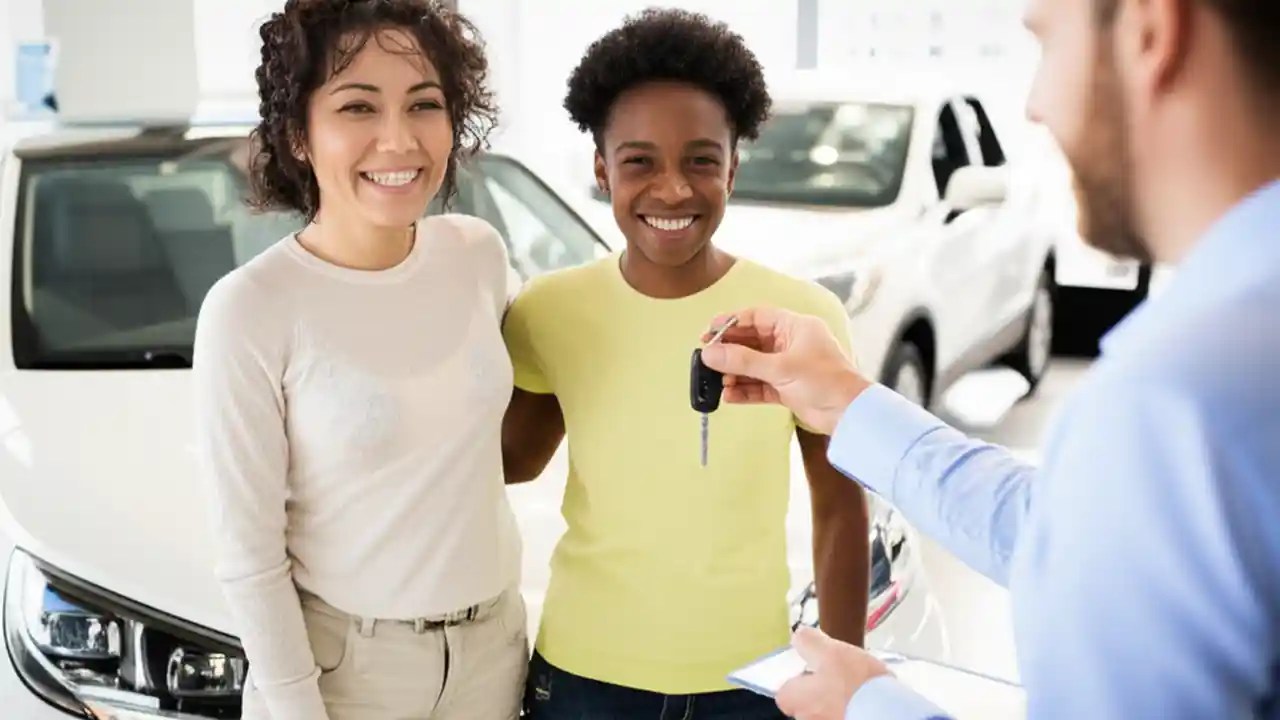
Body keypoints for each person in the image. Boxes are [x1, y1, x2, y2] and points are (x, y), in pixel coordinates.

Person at [699, 0, 1280, 716]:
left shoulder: (1180, 401)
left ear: (1151, 31)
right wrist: (846, 399)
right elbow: (1072, 534)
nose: (1036, 107)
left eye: (1047, 43)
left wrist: (872, 710)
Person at [501, 8, 870, 719]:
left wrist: (843, 673)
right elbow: (509, 462)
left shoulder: (803, 316)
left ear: (733, 164)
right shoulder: (548, 311)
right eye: (640, 161)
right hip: (583, 680)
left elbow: (839, 507)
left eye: (701, 160)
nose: (673, 189)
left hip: (748, 680)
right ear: (602, 167)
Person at [192, 2, 528, 718]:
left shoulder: (477, 255)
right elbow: (249, 560)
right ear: (299, 137)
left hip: (493, 654)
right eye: (357, 107)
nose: (398, 139)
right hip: (345, 673)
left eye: (425, 104)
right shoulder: (251, 308)